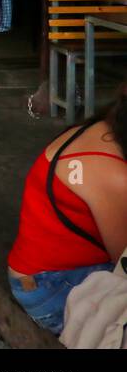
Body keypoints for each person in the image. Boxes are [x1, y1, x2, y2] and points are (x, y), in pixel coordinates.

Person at [8, 87, 127, 334]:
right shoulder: (114, 173)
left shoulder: (102, 128)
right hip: (51, 289)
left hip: (38, 276)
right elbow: (124, 262)